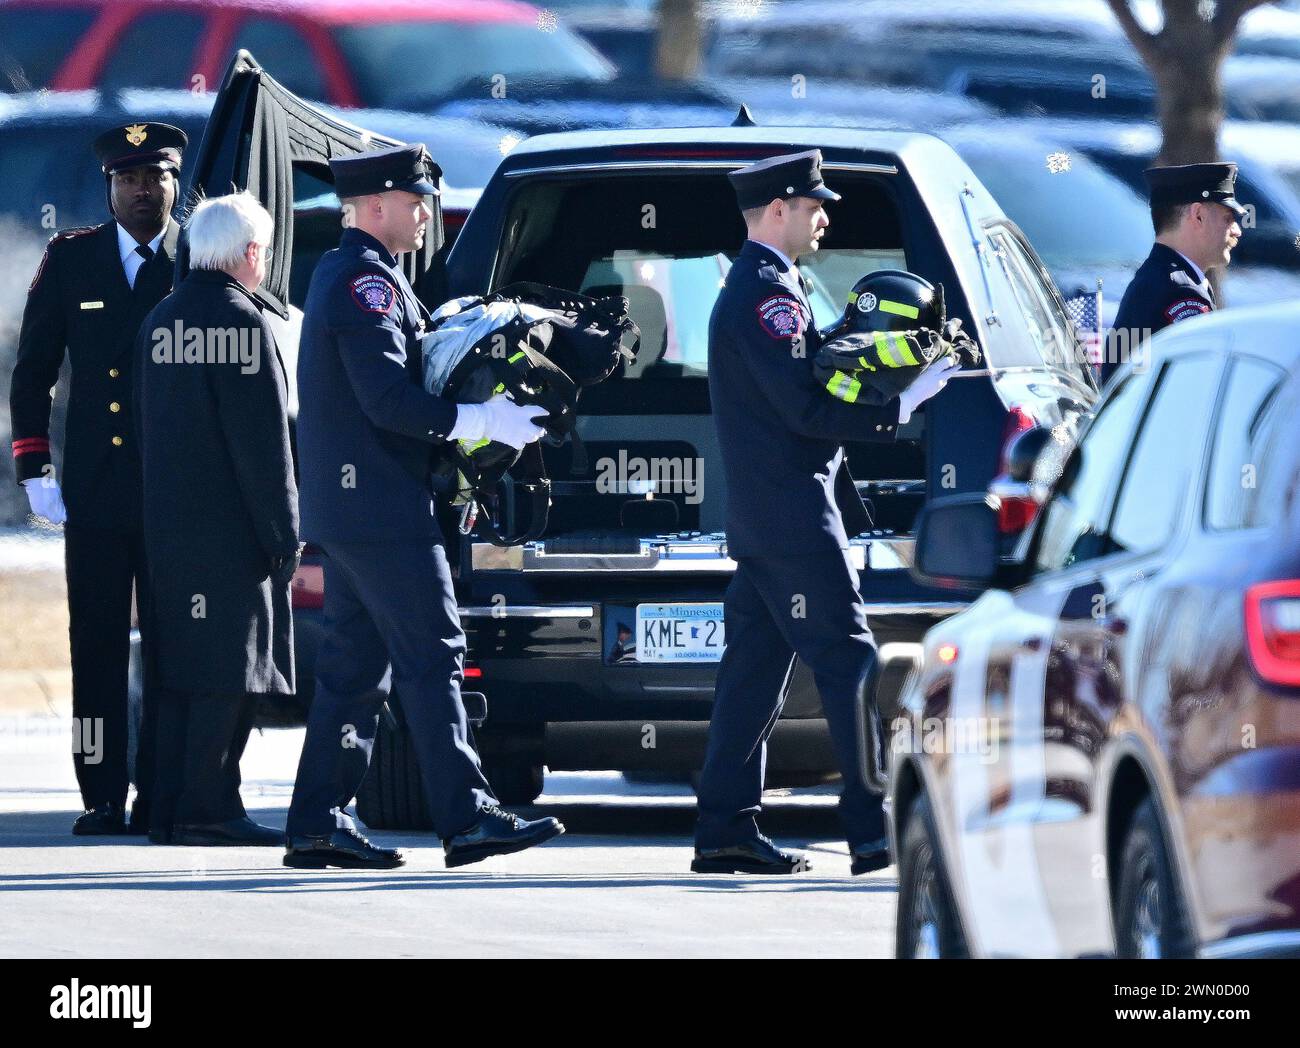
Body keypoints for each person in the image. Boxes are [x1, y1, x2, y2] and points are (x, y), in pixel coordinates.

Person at [285, 144, 566, 870]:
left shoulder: (368, 278)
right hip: (378, 506)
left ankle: (319, 820)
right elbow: (385, 399)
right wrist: (480, 424)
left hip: (361, 507)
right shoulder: (363, 284)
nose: (425, 215)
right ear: (375, 204)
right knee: (433, 653)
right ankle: (466, 816)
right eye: (415, 202)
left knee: (354, 669)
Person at [693, 149, 958, 876]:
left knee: (752, 673)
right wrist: (902, 404)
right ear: (777, 210)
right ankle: (870, 831)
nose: (824, 216)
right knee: (851, 661)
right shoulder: (766, 295)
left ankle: (723, 827)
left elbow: (814, 377)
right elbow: (805, 409)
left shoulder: (769, 287)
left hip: (768, 516)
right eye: (814, 206)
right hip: (792, 518)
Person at [9, 121, 187, 835]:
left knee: (175, 648)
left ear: (176, 183)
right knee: (97, 649)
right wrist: (34, 467)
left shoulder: (198, 261)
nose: (144, 190)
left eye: (156, 177)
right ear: (110, 187)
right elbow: (34, 371)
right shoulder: (72, 259)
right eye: (129, 179)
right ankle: (102, 791)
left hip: (177, 491)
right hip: (99, 490)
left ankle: (164, 787)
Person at [137, 193, 298, 846]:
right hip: (230, 537)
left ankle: (171, 807)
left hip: (166, 531)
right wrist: (285, 536)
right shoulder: (242, 324)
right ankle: (209, 806)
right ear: (250, 254)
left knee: (181, 673)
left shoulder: (160, 319)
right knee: (229, 675)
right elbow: (263, 448)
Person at [1104, 162, 1246, 386]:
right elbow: (1200, 384)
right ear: (1198, 215)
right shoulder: (1180, 292)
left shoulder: (1159, 278)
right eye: (1228, 219)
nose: (1237, 230)